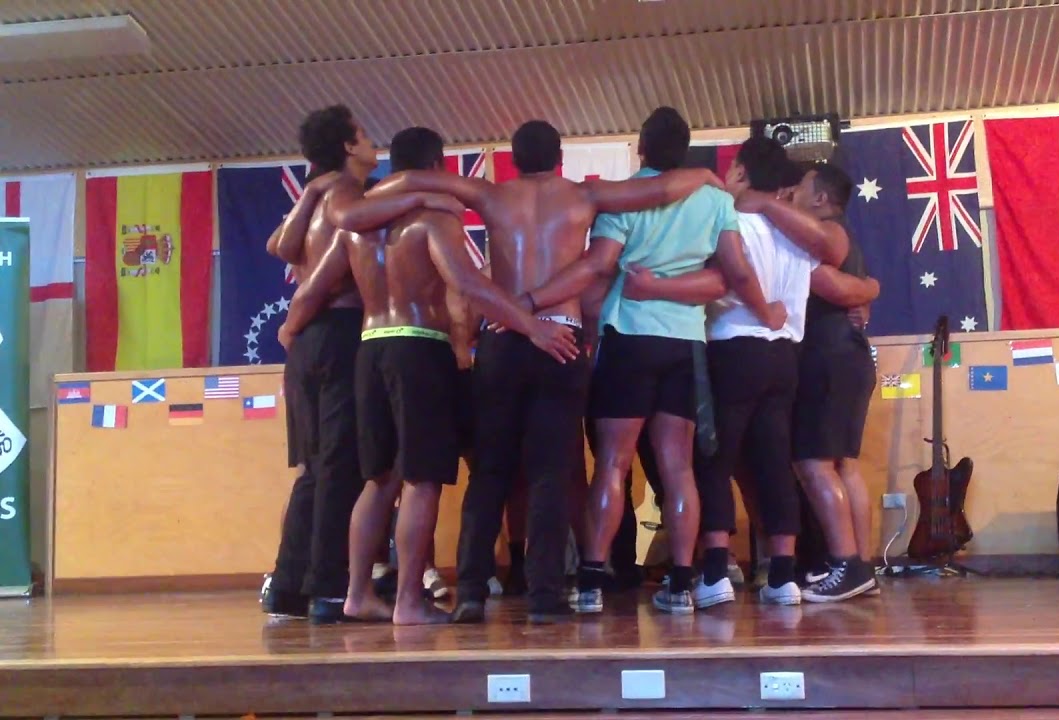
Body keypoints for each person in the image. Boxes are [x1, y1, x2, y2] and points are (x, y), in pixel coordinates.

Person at [363, 118, 724, 623]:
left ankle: (471, 591)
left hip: (504, 335)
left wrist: (370, 195)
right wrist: (703, 175)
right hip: (561, 337)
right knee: (551, 474)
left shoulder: (490, 194)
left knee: (491, 471)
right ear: (559, 159)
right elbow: (660, 190)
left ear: (513, 160)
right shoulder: (583, 195)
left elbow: (411, 179)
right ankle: (545, 597)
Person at [280, 125, 579, 624]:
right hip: (418, 347)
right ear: (437, 168)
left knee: (379, 480)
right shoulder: (432, 219)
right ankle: (407, 601)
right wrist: (532, 326)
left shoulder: (356, 225)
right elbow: (467, 284)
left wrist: (290, 333)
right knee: (421, 481)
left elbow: (311, 289)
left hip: (369, 348)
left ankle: (356, 594)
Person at [519, 107, 783, 615]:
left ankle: (591, 584)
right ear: (685, 152)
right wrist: (767, 310)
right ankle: (681, 586)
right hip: (685, 343)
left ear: (641, 148)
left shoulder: (626, 196)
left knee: (613, 463)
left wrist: (542, 306)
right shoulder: (715, 201)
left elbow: (599, 266)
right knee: (678, 466)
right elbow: (735, 271)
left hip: (629, 337)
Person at [623, 137, 816, 607]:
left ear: (742, 172)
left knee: (713, 459)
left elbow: (727, 278)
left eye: (732, 171)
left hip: (734, 348)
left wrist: (656, 285)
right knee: (775, 463)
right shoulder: (795, 230)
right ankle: (782, 577)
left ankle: (715, 573)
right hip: (785, 356)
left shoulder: (728, 220)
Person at [261, 105, 432, 624]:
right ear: (348, 146)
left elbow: (279, 246)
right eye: (363, 134)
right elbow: (328, 268)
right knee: (340, 467)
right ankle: (328, 589)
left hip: (312, 342)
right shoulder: (347, 196)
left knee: (315, 469)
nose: (371, 142)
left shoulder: (320, 195)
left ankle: (288, 587)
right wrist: (293, 319)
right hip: (335, 332)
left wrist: (310, 191)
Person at [735, 161, 882, 602]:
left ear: (819, 198)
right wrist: (872, 288)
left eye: (798, 187)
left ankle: (846, 564)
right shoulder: (839, 236)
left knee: (813, 465)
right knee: (843, 465)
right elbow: (850, 287)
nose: (789, 193)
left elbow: (834, 286)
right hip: (847, 356)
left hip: (828, 357)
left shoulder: (823, 234)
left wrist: (868, 289)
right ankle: (861, 567)